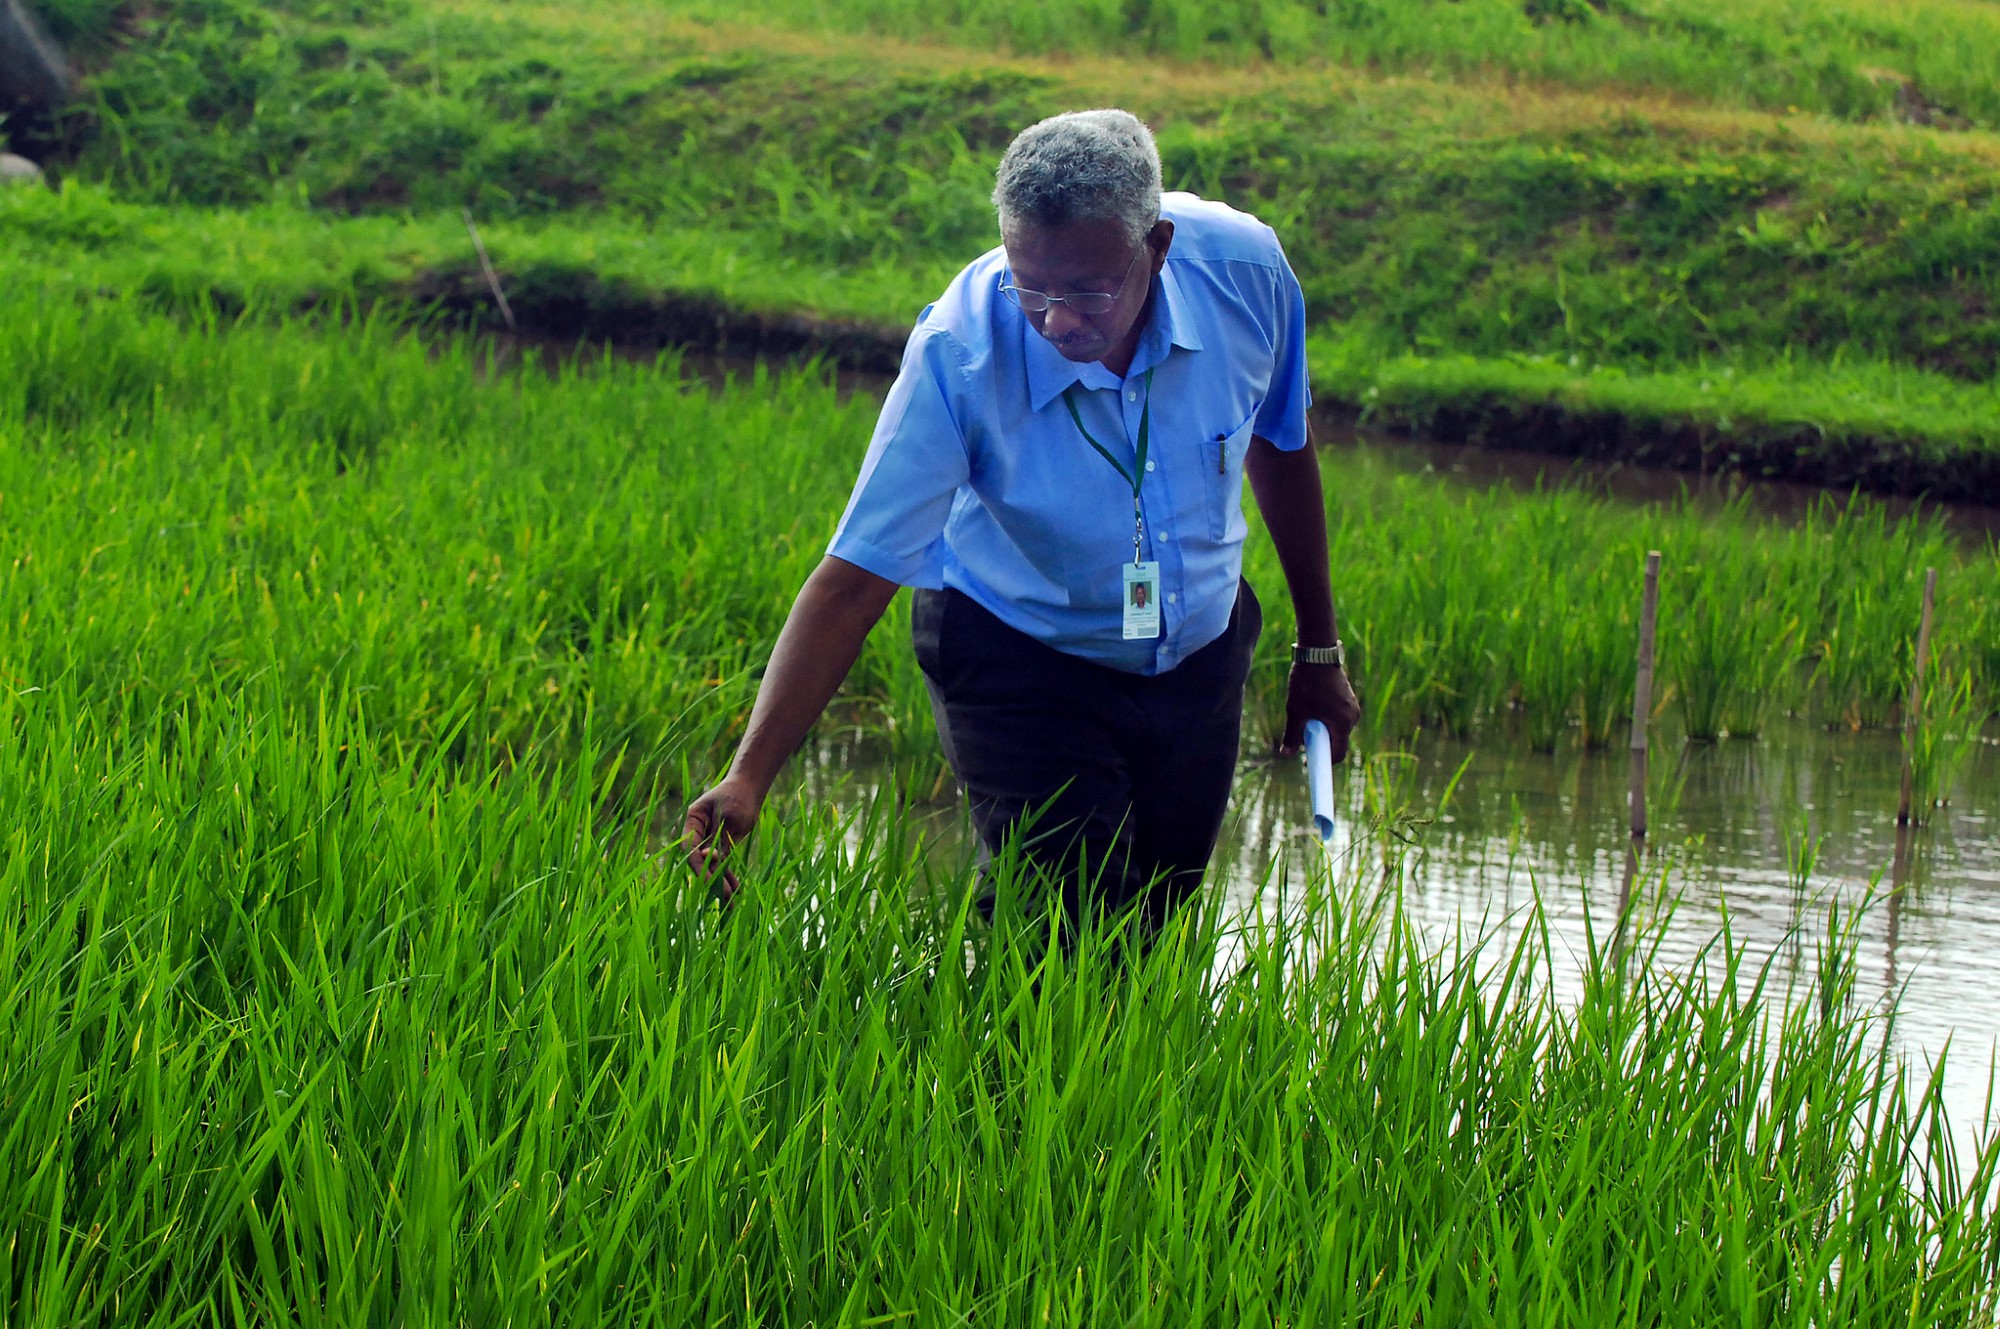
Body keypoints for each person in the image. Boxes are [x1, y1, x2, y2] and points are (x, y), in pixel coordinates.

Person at [684, 108, 1360, 943]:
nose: (1057, 320)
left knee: (1154, 924)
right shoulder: (960, 352)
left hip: (1199, 655)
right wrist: (749, 777)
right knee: (1052, 938)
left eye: (1087, 289)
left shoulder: (1247, 276)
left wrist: (1319, 651)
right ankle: (987, 1070)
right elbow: (853, 580)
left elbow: (1282, 444)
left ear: (1157, 246)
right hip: (1022, 655)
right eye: (1030, 284)